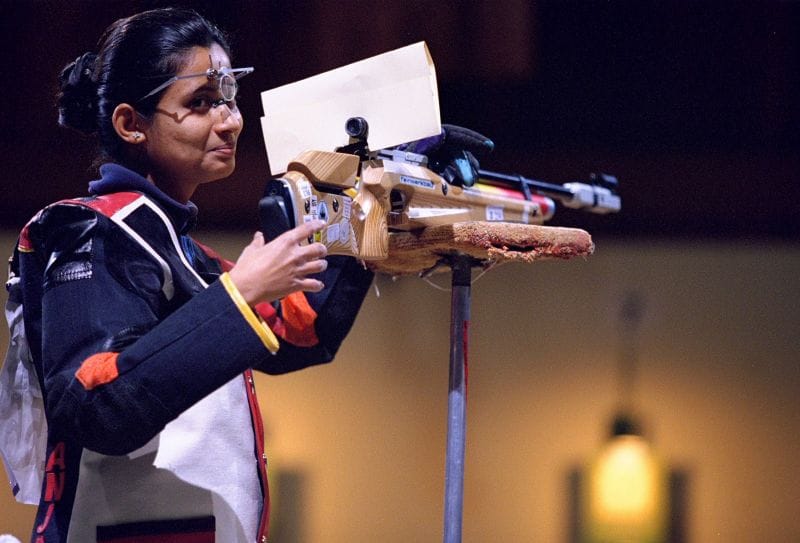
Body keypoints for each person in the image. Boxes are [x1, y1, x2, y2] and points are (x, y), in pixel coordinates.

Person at [0, 7, 373, 543]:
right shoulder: (87, 229)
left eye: (229, 96)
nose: (230, 119)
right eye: (200, 102)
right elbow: (96, 403)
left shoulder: (179, 250)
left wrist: (372, 214)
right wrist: (240, 293)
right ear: (131, 124)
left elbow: (303, 330)